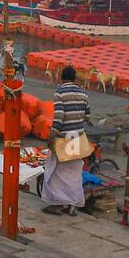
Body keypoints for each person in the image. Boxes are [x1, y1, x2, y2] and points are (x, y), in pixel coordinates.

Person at [41, 66, 91, 216]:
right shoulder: (84, 93)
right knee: (74, 173)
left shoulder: (60, 93)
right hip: (77, 138)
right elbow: (87, 116)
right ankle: (71, 206)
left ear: (62, 78)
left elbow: (59, 118)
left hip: (64, 139)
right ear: (75, 78)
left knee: (54, 171)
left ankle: (56, 205)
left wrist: (52, 135)